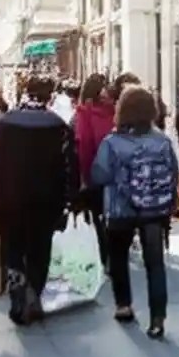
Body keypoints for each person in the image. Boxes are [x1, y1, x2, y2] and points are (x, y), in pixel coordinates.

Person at [0, 76, 80, 326]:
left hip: (9, 199)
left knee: (13, 248)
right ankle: (34, 290)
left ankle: (17, 293)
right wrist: (71, 199)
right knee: (40, 248)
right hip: (46, 201)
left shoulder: (4, 125)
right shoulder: (58, 126)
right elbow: (70, 166)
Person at [91, 87, 177, 340]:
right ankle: (158, 318)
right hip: (154, 209)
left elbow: (100, 175)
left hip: (121, 209)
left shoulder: (112, 143)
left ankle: (124, 305)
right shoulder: (162, 141)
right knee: (155, 263)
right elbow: (173, 172)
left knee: (118, 256)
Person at [75, 74, 115, 267]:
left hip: (94, 171)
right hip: (117, 173)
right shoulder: (116, 111)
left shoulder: (84, 113)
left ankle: (103, 255)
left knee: (97, 216)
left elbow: (84, 145)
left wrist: (84, 176)